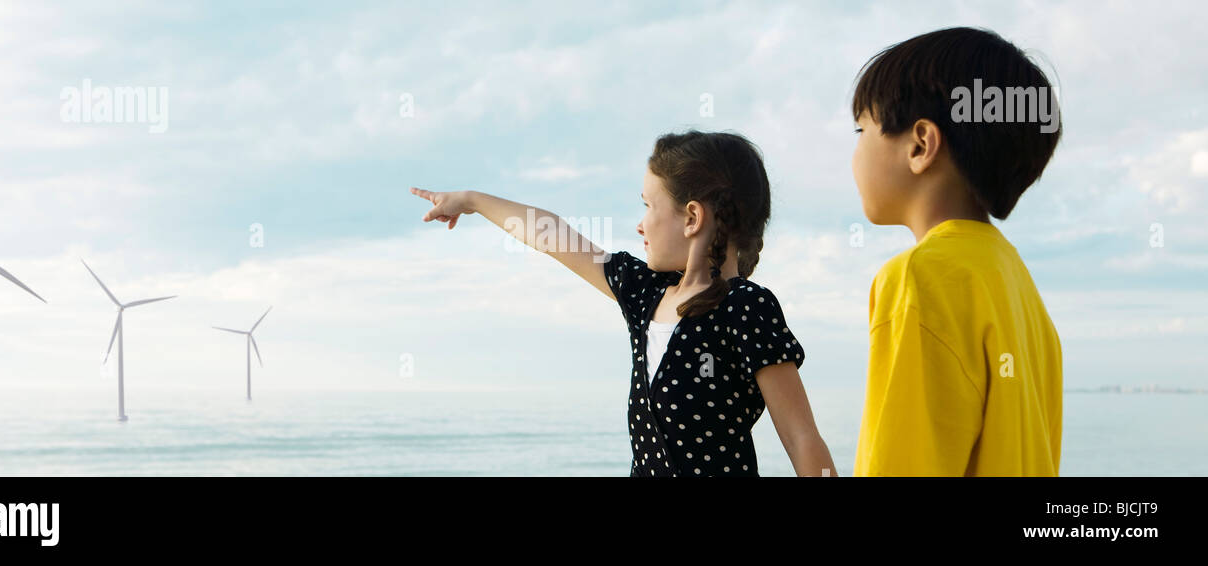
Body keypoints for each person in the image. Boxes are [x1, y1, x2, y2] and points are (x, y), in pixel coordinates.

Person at [410, 130, 835, 477]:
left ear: (692, 218)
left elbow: (802, 439)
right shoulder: (645, 293)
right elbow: (551, 236)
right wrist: (472, 201)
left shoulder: (747, 307)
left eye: (649, 206)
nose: (640, 223)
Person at [848, 27, 1064, 476]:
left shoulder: (920, 278)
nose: (854, 151)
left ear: (920, 144)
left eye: (861, 129)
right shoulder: (1016, 285)